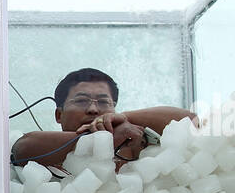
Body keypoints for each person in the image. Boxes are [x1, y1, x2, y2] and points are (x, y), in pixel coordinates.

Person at [11, 68, 196, 171]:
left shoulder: (132, 139)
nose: (93, 109)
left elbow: (193, 123)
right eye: (82, 101)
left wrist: (125, 118)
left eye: (103, 102)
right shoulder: (45, 147)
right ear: (59, 115)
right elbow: (23, 149)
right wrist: (102, 142)